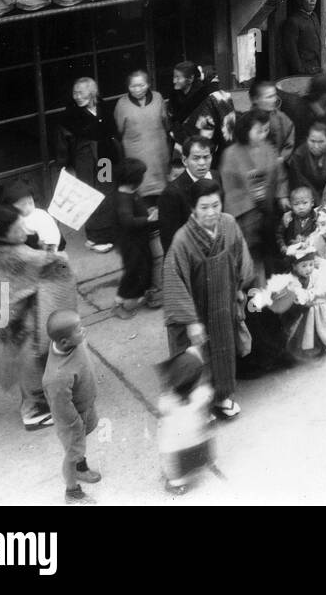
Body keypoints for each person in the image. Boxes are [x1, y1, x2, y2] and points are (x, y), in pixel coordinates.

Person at [164, 179, 260, 419]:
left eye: (216, 205)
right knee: (197, 356)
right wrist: (190, 321)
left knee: (224, 349)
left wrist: (239, 286)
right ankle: (199, 406)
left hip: (223, 301)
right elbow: (174, 281)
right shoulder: (182, 240)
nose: (211, 212)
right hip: (195, 307)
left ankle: (223, 396)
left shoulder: (228, 224)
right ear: (192, 209)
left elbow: (240, 256)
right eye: (204, 207)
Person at [0, 205, 76, 431]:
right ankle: (34, 412)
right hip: (20, 319)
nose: (24, 230)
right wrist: (54, 252)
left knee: (23, 363)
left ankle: (32, 405)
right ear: (4, 235)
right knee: (33, 362)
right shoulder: (20, 254)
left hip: (3, 315)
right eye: (18, 229)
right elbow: (58, 263)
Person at [42, 310, 101, 505]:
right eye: (78, 330)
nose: (83, 330)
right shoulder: (57, 377)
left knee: (80, 444)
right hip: (71, 418)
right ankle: (72, 492)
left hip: (84, 405)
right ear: (65, 342)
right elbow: (61, 407)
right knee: (72, 452)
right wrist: (75, 424)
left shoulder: (70, 343)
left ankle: (81, 468)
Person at [55, 76, 118, 251]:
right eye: (75, 93)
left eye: (81, 93)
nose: (77, 97)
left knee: (105, 192)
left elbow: (112, 132)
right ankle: (95, 237)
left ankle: (106, 235)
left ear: (92, 93)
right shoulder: (70, 116)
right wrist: (65, 166)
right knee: (88, 195)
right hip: (85, 161)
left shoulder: (103, 107)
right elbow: (63, 144)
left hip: (104, 159)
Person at [220, 110, 289, 272]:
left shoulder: (267, 148)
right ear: (245, 131)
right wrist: (250, 210)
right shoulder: (230, 154)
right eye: (259, 131)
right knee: (249, 256)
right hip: (245, 214)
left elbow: (279, 175)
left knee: (270, 252)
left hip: (267, 209)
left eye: (266, 130)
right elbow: (230, 189)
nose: (263, 135)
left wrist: (282, 195)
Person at [155, 349, 215, 495]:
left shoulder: (169, 398)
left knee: (175, 463)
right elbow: (207, 396)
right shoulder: (201, 393)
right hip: (195, 435)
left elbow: (162, 409)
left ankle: (176, 483)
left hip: (174, 441)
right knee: (193, 456)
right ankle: (191, 470)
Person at [113, 70, 169, 204]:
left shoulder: (158, 98)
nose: (137, 89)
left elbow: (165, 122)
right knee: (139, 186)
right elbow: (118, 131)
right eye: (133, 86)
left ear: (149, 84)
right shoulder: (122, 104)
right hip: (136, 153)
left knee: (164, 191)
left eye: (141, 85)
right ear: (128, 87)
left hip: (158, 152)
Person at [112, 157, 158, 319]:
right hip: (131, 244)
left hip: (140, 240)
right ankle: (119, 303)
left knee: (144, 266)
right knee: (132, 271)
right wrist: (148, 219)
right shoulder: (123, 198)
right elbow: (127, 221)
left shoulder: (131, 192)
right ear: (134, 179)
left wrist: (148, 211)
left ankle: (138, 294)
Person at [281, 0, 323, 75]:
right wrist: (300, 70)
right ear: (300, 0)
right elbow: (291, 50)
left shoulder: (314, 16)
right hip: (305, 71)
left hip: (317, 67)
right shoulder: (294, 21)